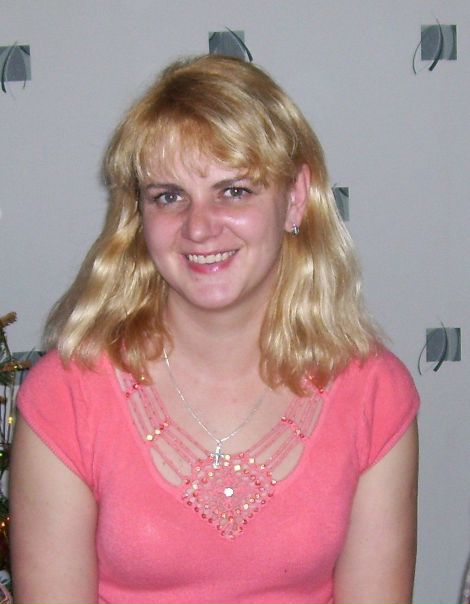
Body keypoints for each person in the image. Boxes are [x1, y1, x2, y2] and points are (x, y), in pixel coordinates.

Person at [9, 54, 419, 604]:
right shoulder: (66, 396)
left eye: (234, 190)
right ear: (139, 215)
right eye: (169, 196)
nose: (199, 227)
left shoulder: (374, 394)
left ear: (295, 198)